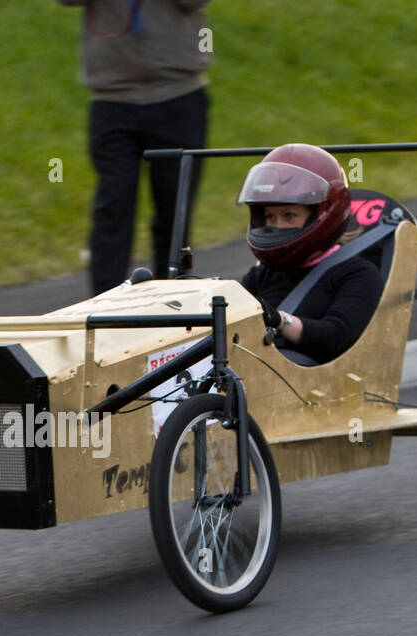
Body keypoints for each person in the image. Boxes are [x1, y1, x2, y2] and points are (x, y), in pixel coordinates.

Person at [56, 0, 211, 295]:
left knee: (174, 212)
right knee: (112, 207)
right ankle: (104, 306)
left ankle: (173, 303)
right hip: (111, 99)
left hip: (179, 94)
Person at [237, 143, 383, 366]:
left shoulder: (358, 273)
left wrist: (278, 320)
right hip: (252, 371)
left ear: (321, 216)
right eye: (270, 217)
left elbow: (336, 338)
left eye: (289, 216)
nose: (277, 226)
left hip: (316, 379)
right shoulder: (262, 274)